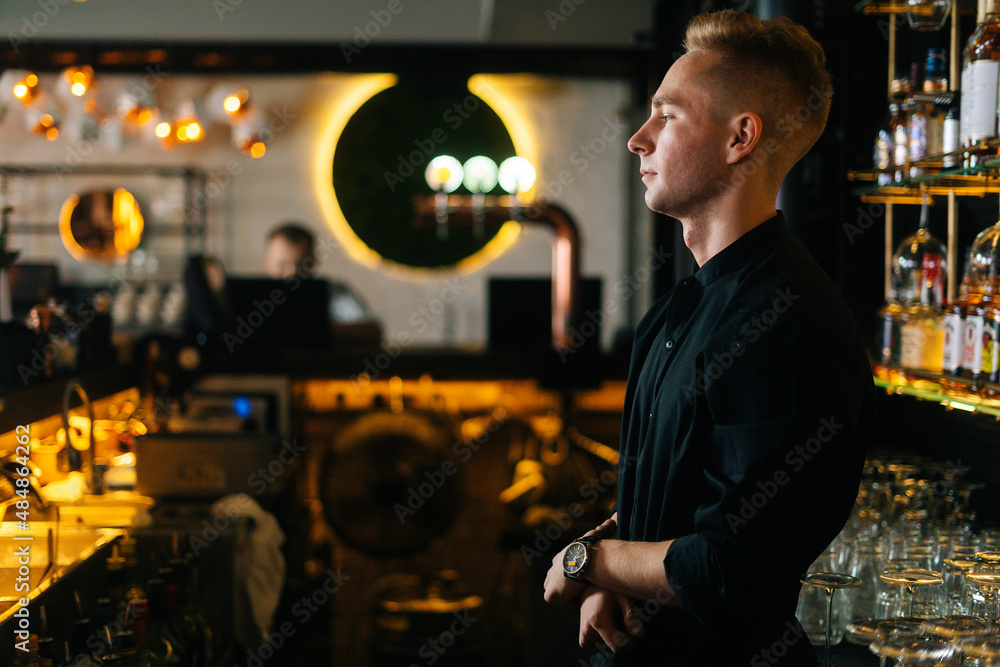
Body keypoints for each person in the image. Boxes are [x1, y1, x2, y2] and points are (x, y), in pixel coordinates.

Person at [543, 10, 877, 666]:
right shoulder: (676, 311)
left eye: (667, 116)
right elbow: (665, 502)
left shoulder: (787, 321)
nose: (639, 140)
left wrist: (589, 559)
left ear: (739, 138)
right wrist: (606, 573)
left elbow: (732, 565)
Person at [263, 222, 382, 345]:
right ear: (267, 261)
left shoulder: (335, 292)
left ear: (313, 262)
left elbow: (373, 332)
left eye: (301, 265)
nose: (292, 273)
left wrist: (317, 325)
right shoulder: (251, 297)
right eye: (282, 264)